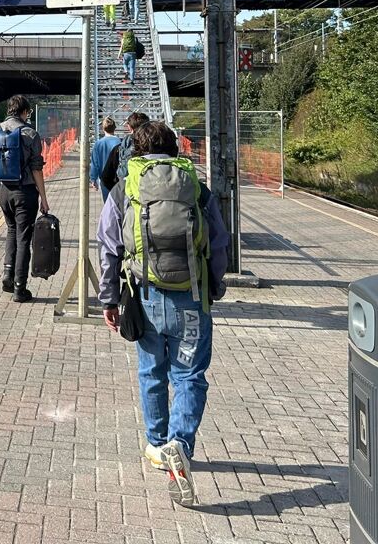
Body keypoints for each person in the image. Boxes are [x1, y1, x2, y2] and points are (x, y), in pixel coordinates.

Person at [98, 120, 229, 507]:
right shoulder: (197, 189)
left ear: (135, 152)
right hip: (191, 297)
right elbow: (219, 243)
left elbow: (108, 246)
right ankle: (180, 444)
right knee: (189, 375)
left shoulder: (126, 189)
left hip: (145, 295)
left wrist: (108, 298)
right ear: (176, 149)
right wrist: (216, 284)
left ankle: (157, 446)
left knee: (151, 371)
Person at [0, 94, 49, 303]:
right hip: (24, 192)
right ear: (24, 112)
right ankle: (19, 287)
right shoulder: (30, 134)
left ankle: (8, 275)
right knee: (24, 238)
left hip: (2, 191)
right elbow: (36, 169)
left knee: (11, 230)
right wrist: (43, 198)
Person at [101, 112, 150, 192]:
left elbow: (106, 177)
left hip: (127, 195)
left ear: (129, 127)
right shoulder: (157, 147)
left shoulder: (119, 149)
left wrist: (119, 193)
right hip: (152, 196)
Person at [89, 118, 122, 202]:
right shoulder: (120, 142)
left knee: (107, 203)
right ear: (115, 128)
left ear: (103, 129)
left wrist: (93, 179)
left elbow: (94, 163)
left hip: (104, 178)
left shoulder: (98, 144)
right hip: (118, 178)